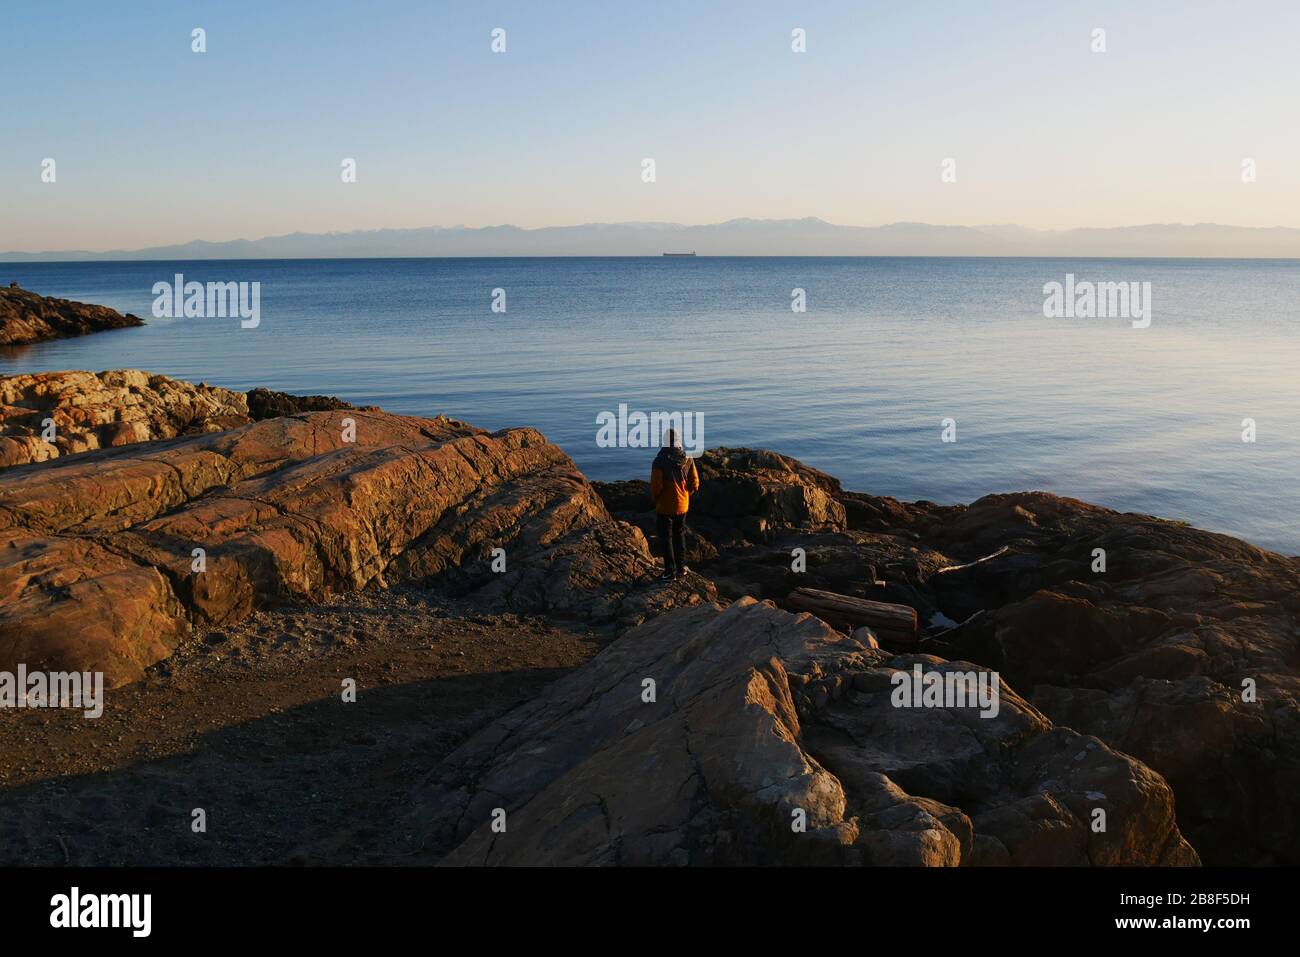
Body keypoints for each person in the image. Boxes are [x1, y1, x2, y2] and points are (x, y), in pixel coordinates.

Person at [650, 428, 699, 580]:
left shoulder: (659, 461)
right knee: (680, 536)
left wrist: (656, 499)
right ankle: (681, 569)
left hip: (664, 507)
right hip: (682, 506)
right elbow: (695, 484)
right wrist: (685, 495)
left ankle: (669, 571)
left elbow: (656, 487)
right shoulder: (688, 459)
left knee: (666, 538)